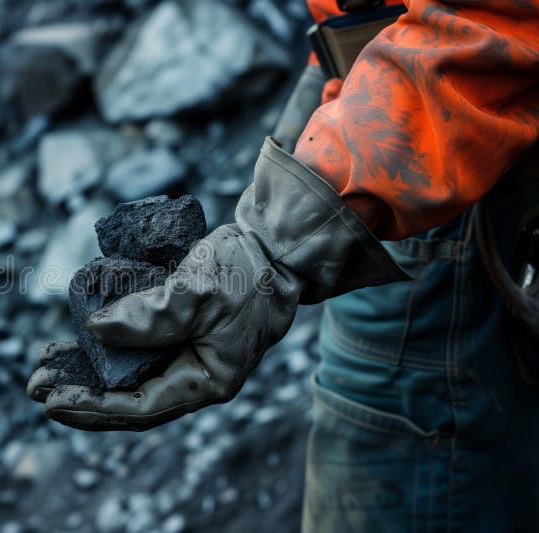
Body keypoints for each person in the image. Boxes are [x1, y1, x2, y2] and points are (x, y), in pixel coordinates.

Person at [29, 1, 539, 530]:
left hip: (456, 162)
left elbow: (493, 18)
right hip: (406, 113)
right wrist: (306, 135)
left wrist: (276, 240)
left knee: (389, 462)